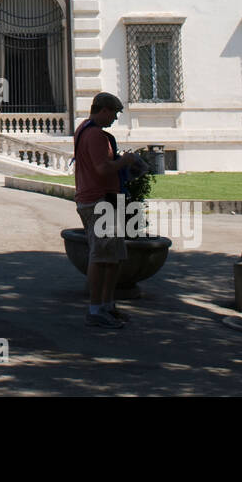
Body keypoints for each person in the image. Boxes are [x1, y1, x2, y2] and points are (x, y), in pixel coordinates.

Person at [73, 92, 146, 329]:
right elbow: (102, 169)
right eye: (114, 113)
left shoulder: (85, 129)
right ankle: (96, 309)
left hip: (107, 199)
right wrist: (125, 162)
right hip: (99, 200)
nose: (115, 119)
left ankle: (107, 305)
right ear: (104, 110)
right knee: (102, 255)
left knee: (114, 255)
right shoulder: (94, 134)